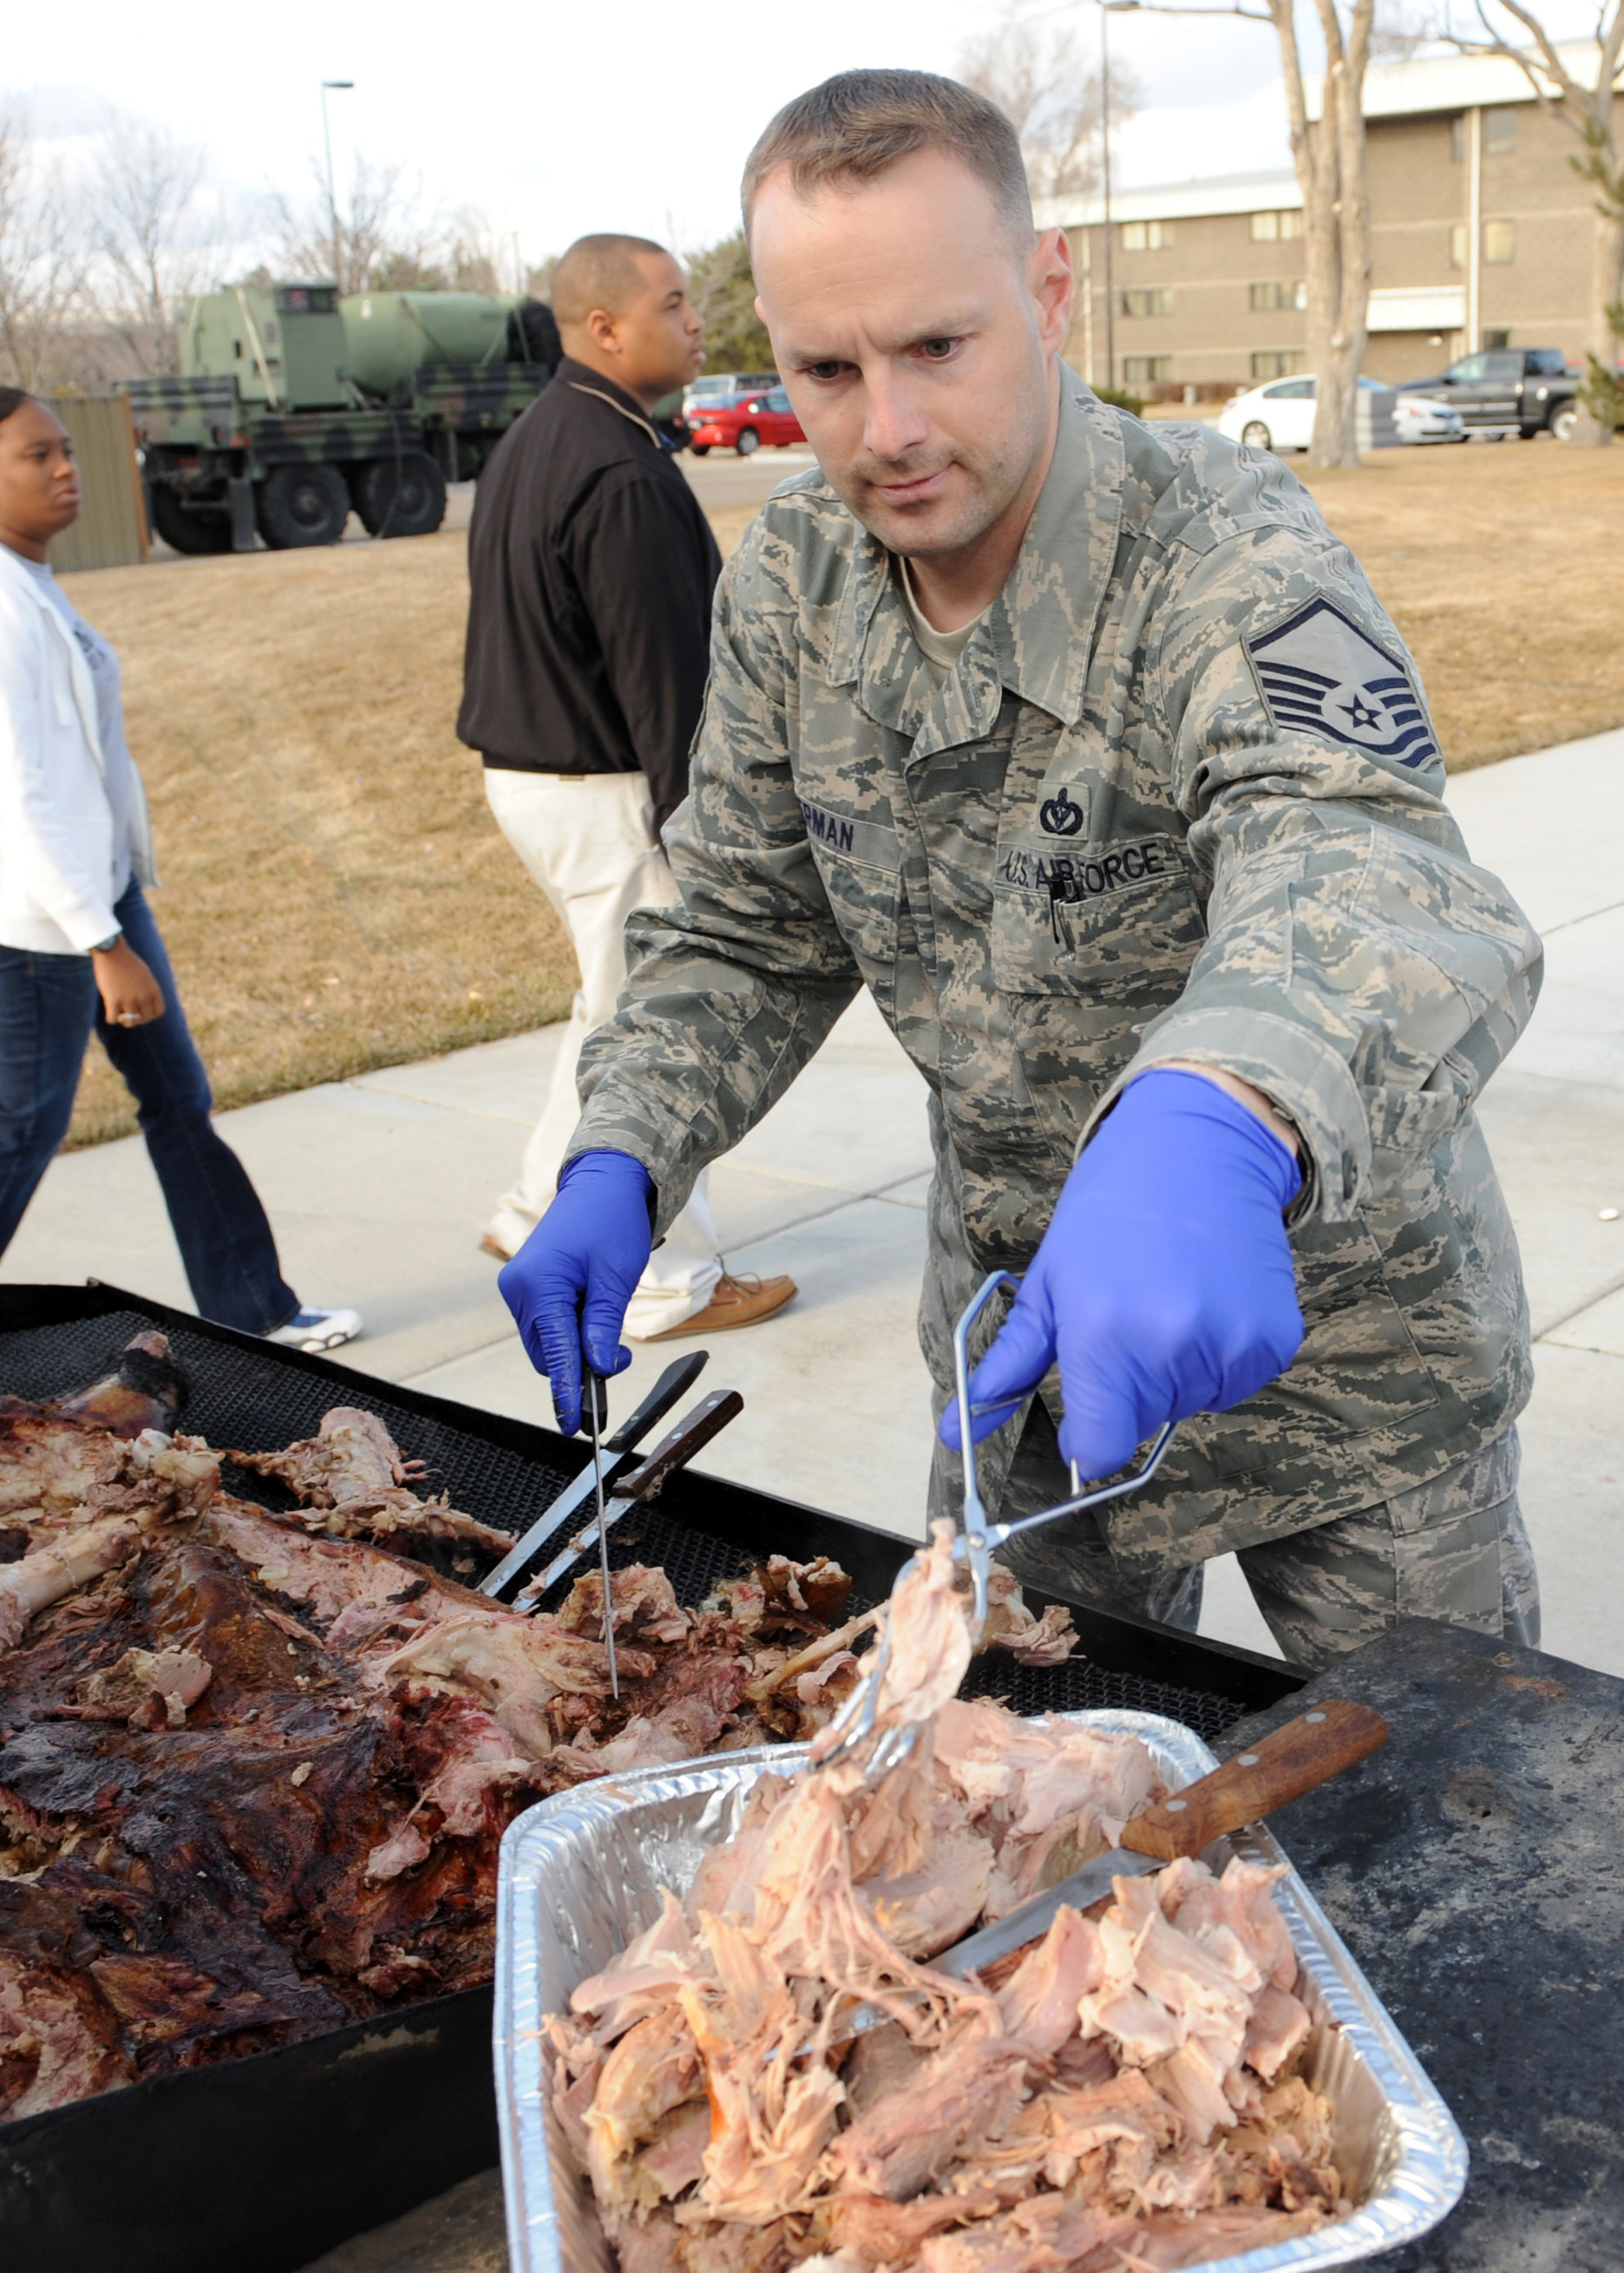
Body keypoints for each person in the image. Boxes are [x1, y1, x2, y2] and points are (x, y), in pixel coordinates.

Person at [495, 73, 1543, 1670]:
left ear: (1045, 293)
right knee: (998, 1816)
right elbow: (740, 926)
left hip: (1341, 1359)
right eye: (824, 370)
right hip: (1020, 1364)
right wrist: (622, 1151)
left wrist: (1218, 1116)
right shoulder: (793, 579)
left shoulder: (1218, 542)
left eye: (936, 346)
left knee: (1435, 1836)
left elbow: (1358, 853)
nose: (887, 429)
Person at [459, 233, 796, 1344]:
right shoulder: (621, 469)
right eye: (675, 302)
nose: (698, 319)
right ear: (606, 327)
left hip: (534, 774)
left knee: (609, 1007)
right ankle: (662, 1282)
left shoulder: (541, 433)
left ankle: (530, 1211)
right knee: (664, 1018)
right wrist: (704, 832)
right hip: (603, 785)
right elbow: (670, 677)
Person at [0, 387, 361, 1354]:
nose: (66, 467)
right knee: (21, 1132)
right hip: (46, 927)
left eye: (67, 449)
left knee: (178, 1101)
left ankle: (256, 1312)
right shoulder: (2, 607)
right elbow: (19, 793)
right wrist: (101, 939)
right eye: (38, 455)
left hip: (99, 898)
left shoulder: (31, 581)